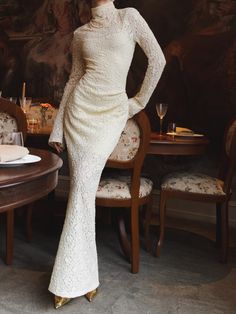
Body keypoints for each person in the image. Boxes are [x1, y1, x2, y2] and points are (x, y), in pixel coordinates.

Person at [48, 0, 166, 309]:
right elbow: (74, 79)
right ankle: (80, 279)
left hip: (109, 114)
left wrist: (138, 102)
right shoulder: (80, 33)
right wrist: (57, 129)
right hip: (79, 113)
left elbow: (158, 59)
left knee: (81, 190)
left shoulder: (130, 18)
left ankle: (69, 280)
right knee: (80, 191)